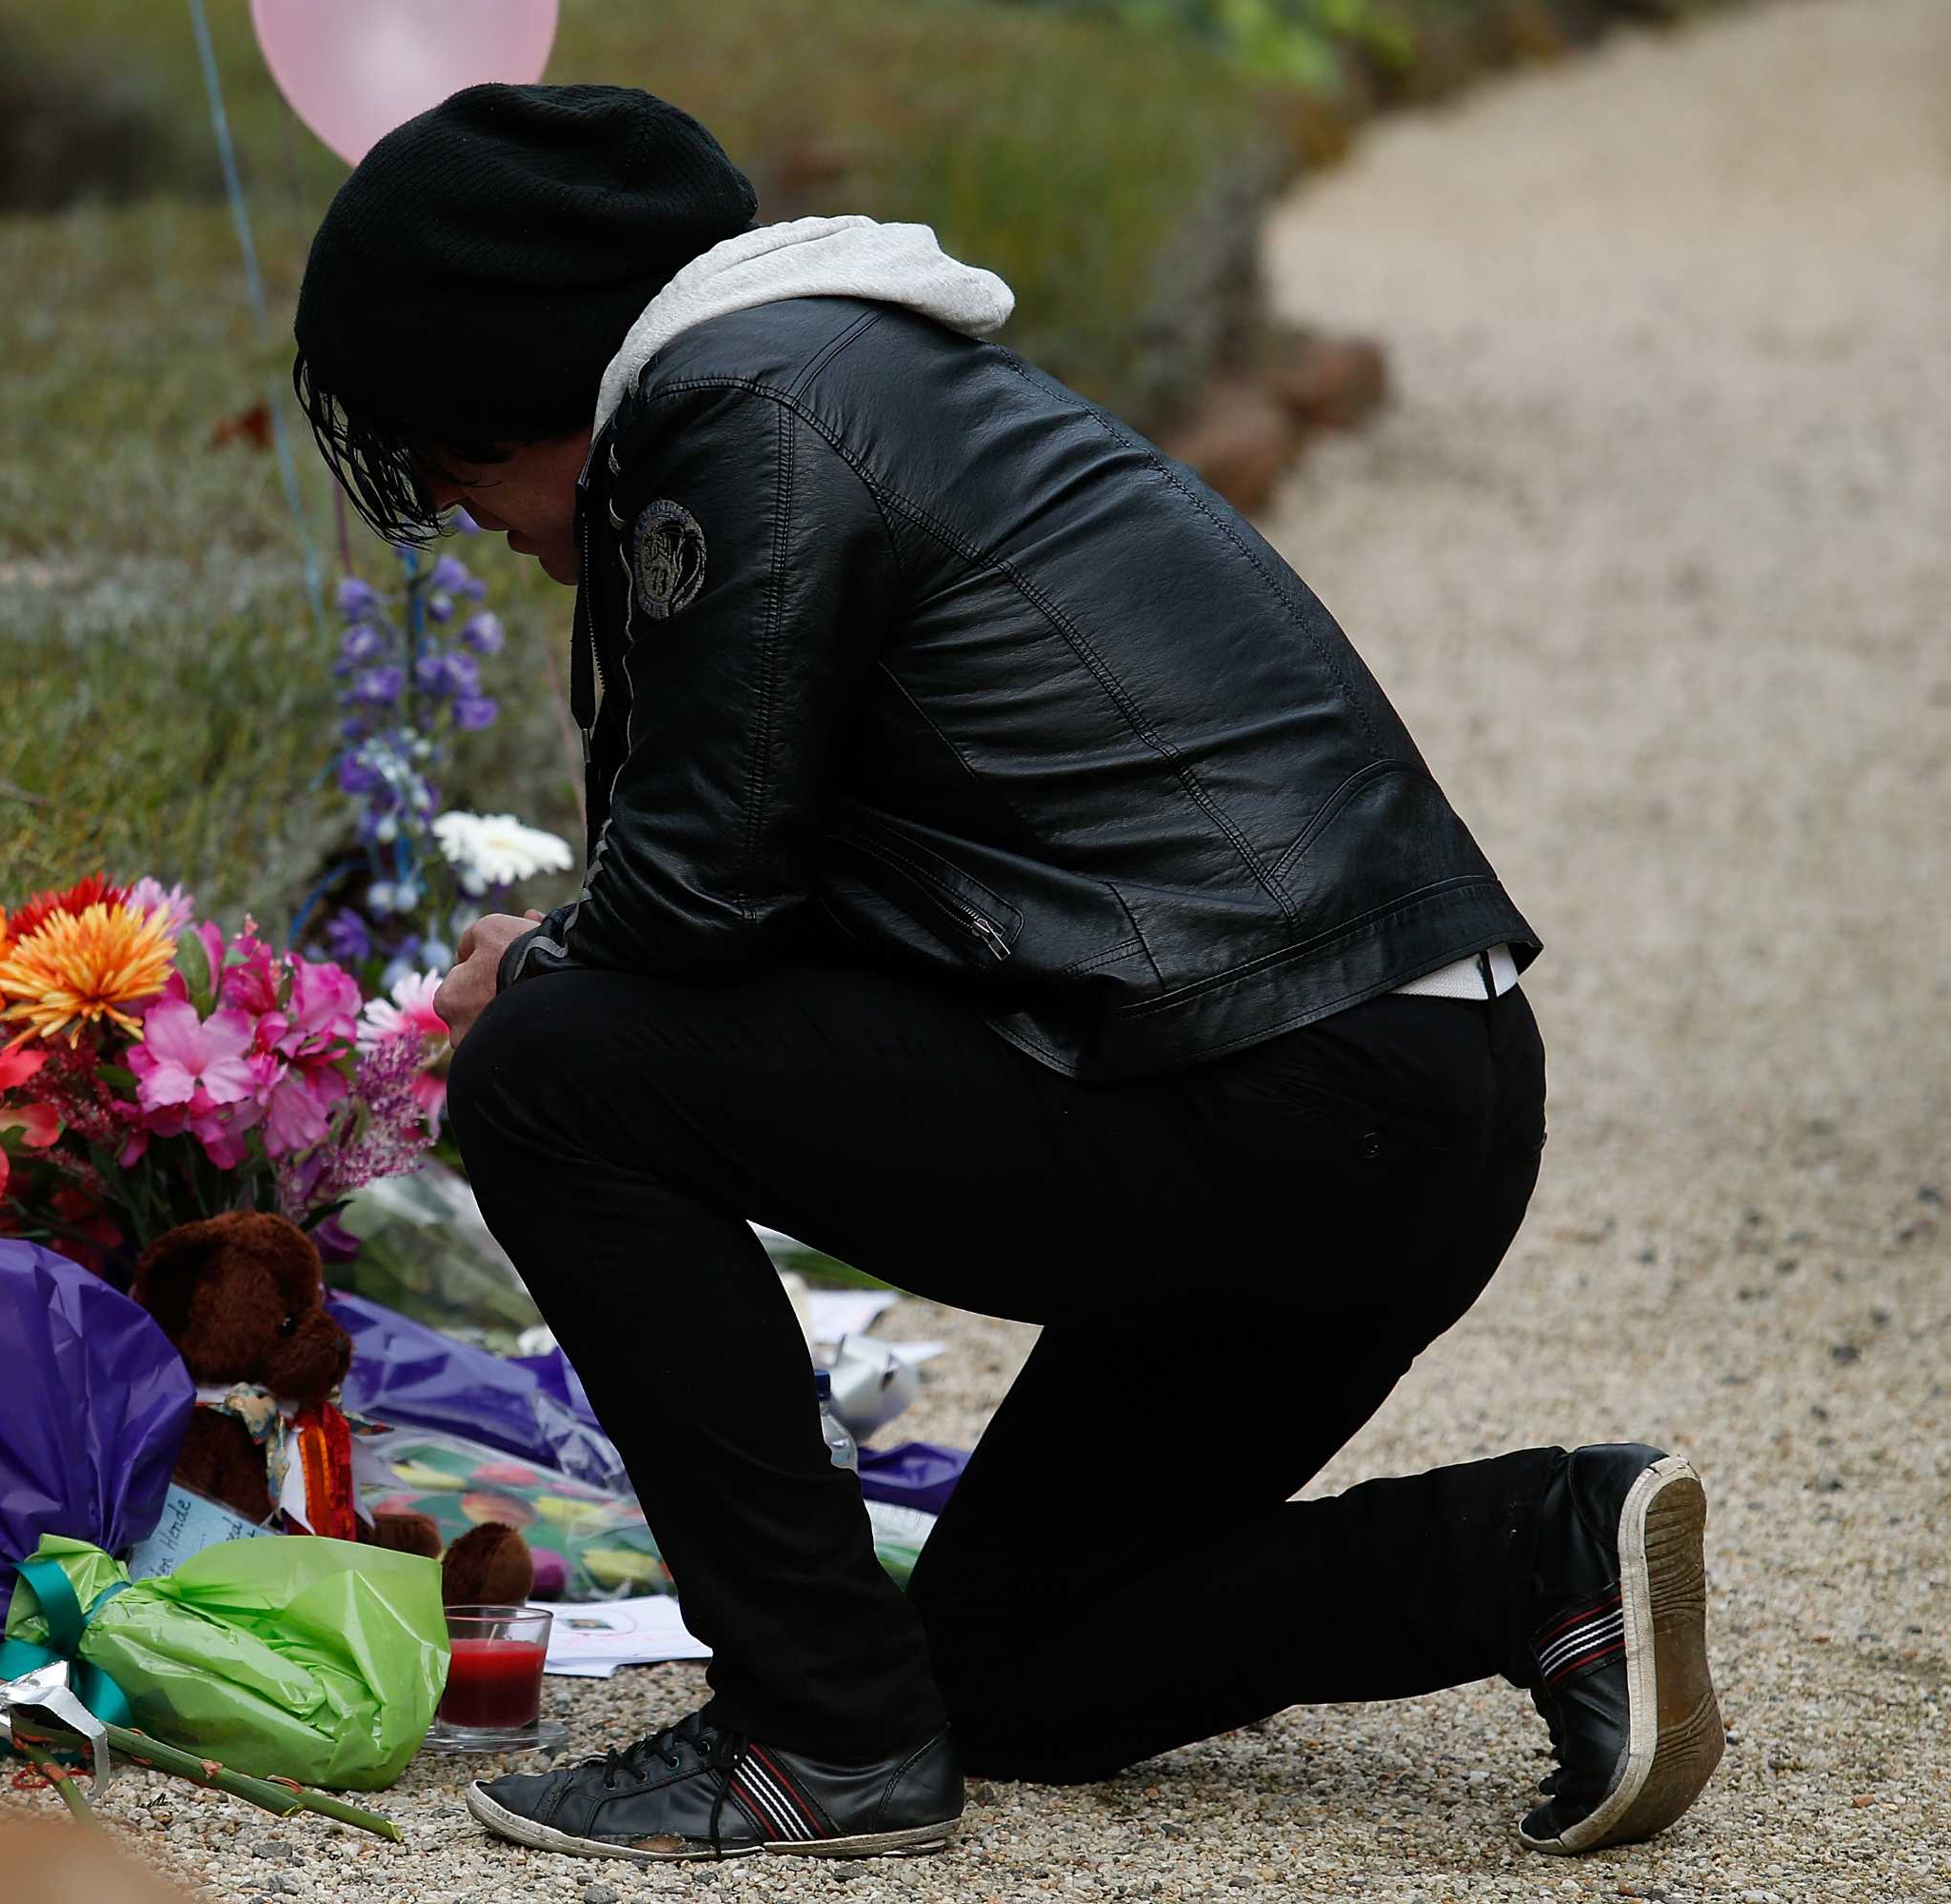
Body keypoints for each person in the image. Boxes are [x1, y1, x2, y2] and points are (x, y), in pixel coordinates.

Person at [289, 83, 1723, 1867]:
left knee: (550, 1075)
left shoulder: (746, 417)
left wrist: (548, 966)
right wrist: (590, 944)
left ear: (518, 367)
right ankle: (1535, 1557)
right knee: (1009, 1672)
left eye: (435, 452)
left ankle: (810, 1734)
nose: (442, 504)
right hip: (1395, 1097)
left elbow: (698, 905)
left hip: (1279, 1089)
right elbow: (783, 870)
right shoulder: (844, 375)